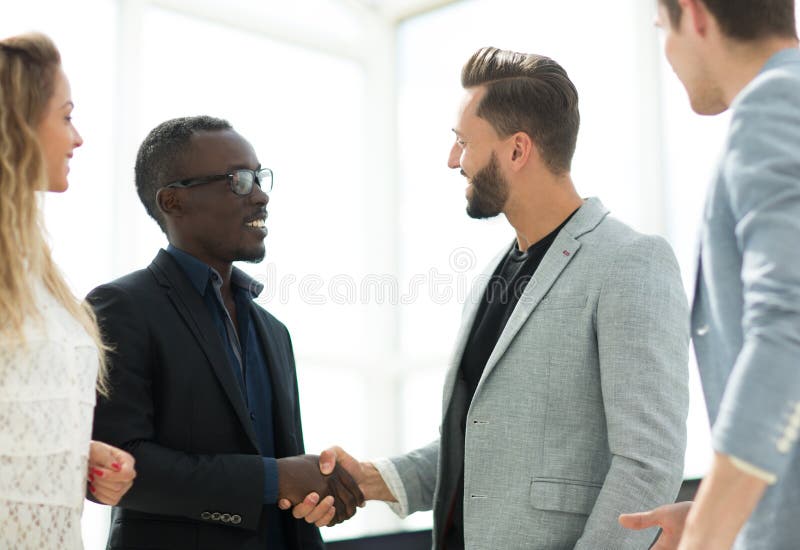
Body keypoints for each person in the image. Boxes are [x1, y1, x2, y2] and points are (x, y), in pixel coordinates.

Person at [286, 47, 690, 549]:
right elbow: (481, 446)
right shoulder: (489, 280)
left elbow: (648, 460)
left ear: (517, 150)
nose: (454, 160)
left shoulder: (630, 260)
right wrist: (369, 480)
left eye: (462, 143)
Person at [89, 115, 364, 550]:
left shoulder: (275, 333)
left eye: (259, 177)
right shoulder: (120, 307)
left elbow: (287, 483)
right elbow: (118, 468)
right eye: (238, 180)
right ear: (173, 201)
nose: (260, 195)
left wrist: (318, 496)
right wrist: (275, 479)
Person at [618, 1, 800, 549]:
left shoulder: (771, 105)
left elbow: (787, 335)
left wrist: (707, 533)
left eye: (662, 31)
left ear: (694, 15)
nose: (667, 54)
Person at [0, 32, 136, 548]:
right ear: (17, 122)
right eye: (65, 116)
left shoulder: (37, 269)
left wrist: (78, 454)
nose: (77, 138)